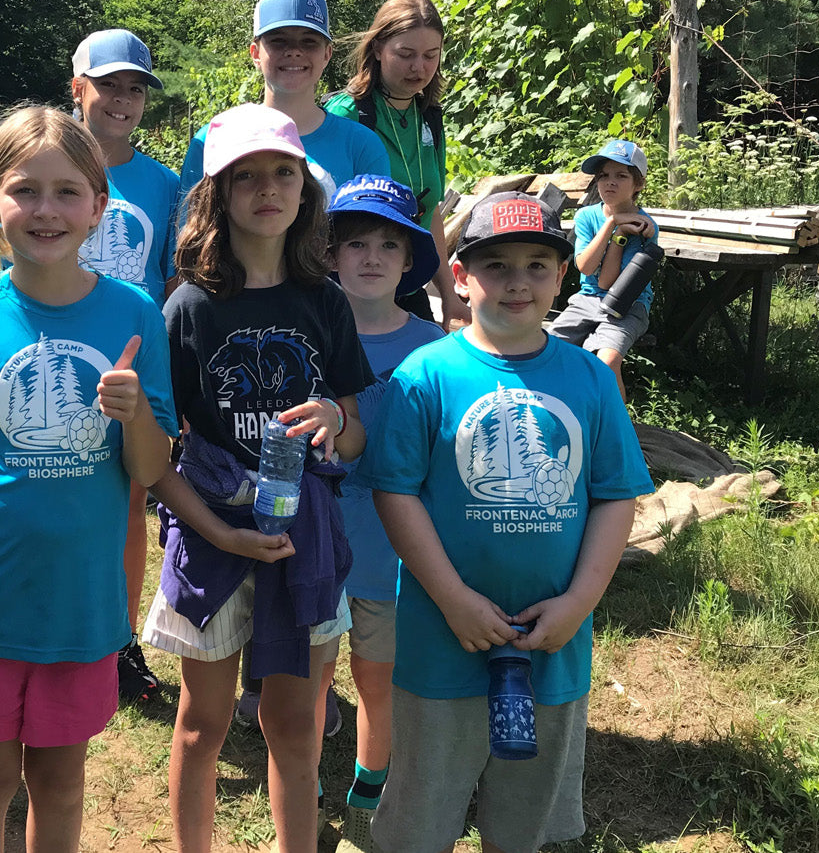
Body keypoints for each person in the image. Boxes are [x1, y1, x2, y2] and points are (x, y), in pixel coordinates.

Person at [0, 105, 177, 853]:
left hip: (80, 602)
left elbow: (150, 472)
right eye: (26, 190)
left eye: (67, 191)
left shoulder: (135, 315)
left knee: (60, 780)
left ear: (99, 205)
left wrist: (134, 417)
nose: (46, 209)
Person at [358, 192, 653, 853]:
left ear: (562, 275)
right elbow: (395, 493)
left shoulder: (591, 380)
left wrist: (579, 603)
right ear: (460, 276)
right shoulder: (425, 375)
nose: (518, 281)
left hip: (553, 646)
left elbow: (615, 496)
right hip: (443, 641)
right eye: (495, 265)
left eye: (537, 265)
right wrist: (455, 600)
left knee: (523, 825)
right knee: (420, 820)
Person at [142, 103, 372, 853]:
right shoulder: (189, 308)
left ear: (306, 190)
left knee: (294, 720)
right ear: (216, 193)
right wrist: (217, 527)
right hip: (211, 541)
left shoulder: (324, 300)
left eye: (283, 173)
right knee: (204, 723)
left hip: (302, 538)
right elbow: (158, 452)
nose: (267, 189)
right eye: (245, 177)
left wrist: (337, 427)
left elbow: (356, 428)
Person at [321, 175, 444, 853]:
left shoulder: (436, 350)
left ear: (408, 262)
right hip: (313, 542)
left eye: (388, 246)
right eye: (355, 243)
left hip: (392, 553)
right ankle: (301, 797)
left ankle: (369, 798)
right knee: (305, 682)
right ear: (331, 255)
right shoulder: (307, 330)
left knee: (378, 682)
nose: (370, 257)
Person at [68, 27, 181, 703]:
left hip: (135, 368)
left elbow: (169, 282)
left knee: (131, 502)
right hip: (58, 360)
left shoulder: (163, 184)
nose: (122, 99)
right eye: (108, 84)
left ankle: (117, 638)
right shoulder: (52, 165)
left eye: (135, 88)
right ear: (77, 86)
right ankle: (64, 623)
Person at [324, 0, 469, 330]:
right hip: (347, 289)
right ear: (376, 49)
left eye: (430, 56)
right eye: (406, 54)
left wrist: (449, 295)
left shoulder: (429, 117)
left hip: (404, 279)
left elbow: (430, 209)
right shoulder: (346, 116)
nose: (419, 67)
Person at [177, 0, 389, 209]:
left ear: (327, 54)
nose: (294, 51)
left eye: (309, 41)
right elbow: (190, 238)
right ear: (256, 53)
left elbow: (374, 238)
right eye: (278, 41)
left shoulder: (362, 146)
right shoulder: (212, 141)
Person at [547, 139, 659, 398]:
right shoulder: (587, 216)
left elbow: (610, 284)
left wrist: (620, 234)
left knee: (606, 362)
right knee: (548, 350)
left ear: (638, 184)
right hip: (586, 300)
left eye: (621, 176)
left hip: (629, 306)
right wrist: (613, 225)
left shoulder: (646, 227)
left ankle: (617, 431)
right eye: (604, 176)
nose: (610, 182)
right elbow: (585, 267)